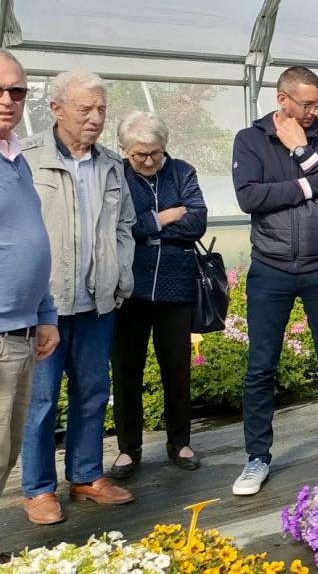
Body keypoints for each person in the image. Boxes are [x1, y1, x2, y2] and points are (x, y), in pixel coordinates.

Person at [230, 66, 318, 495]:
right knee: (261, 365)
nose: (313, 111)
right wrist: (307, 186)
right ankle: (257, 457)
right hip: (271, 267)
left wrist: (303, 152)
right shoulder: (250, 140)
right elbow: (250, 196)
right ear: (282, 99)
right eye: (306, 103)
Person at [22, 70, 135, 524]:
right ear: (56, 109)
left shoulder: (111, 164)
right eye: (85, 109)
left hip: (97, 302)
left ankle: (86, 475)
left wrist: (120, 272)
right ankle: (38, 489)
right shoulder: (25, 159)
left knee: (92, 391)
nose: (95, 118)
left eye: (101, 109)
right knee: (41, 400)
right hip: (43, 304)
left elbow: (125, 224)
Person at [110, 112, 208, 479]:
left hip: (175, 286)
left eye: (156, 153)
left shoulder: (182, 172)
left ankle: (179, 442)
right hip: (128, 289)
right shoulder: (116, 175)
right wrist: (164, 218)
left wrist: (145, 228)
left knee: (177, 369)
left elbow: (197, 221)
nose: (150, 161)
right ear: (125, 150)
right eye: (140, 154)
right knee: (126, 371)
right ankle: (128, 449)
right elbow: (120, 226)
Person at [0, 50, 58, 499]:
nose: (8, 100)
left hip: (21, 333)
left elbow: (28, 242)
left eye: (17, 91)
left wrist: (45, 314)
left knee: (5, 452)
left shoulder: (16, 159)